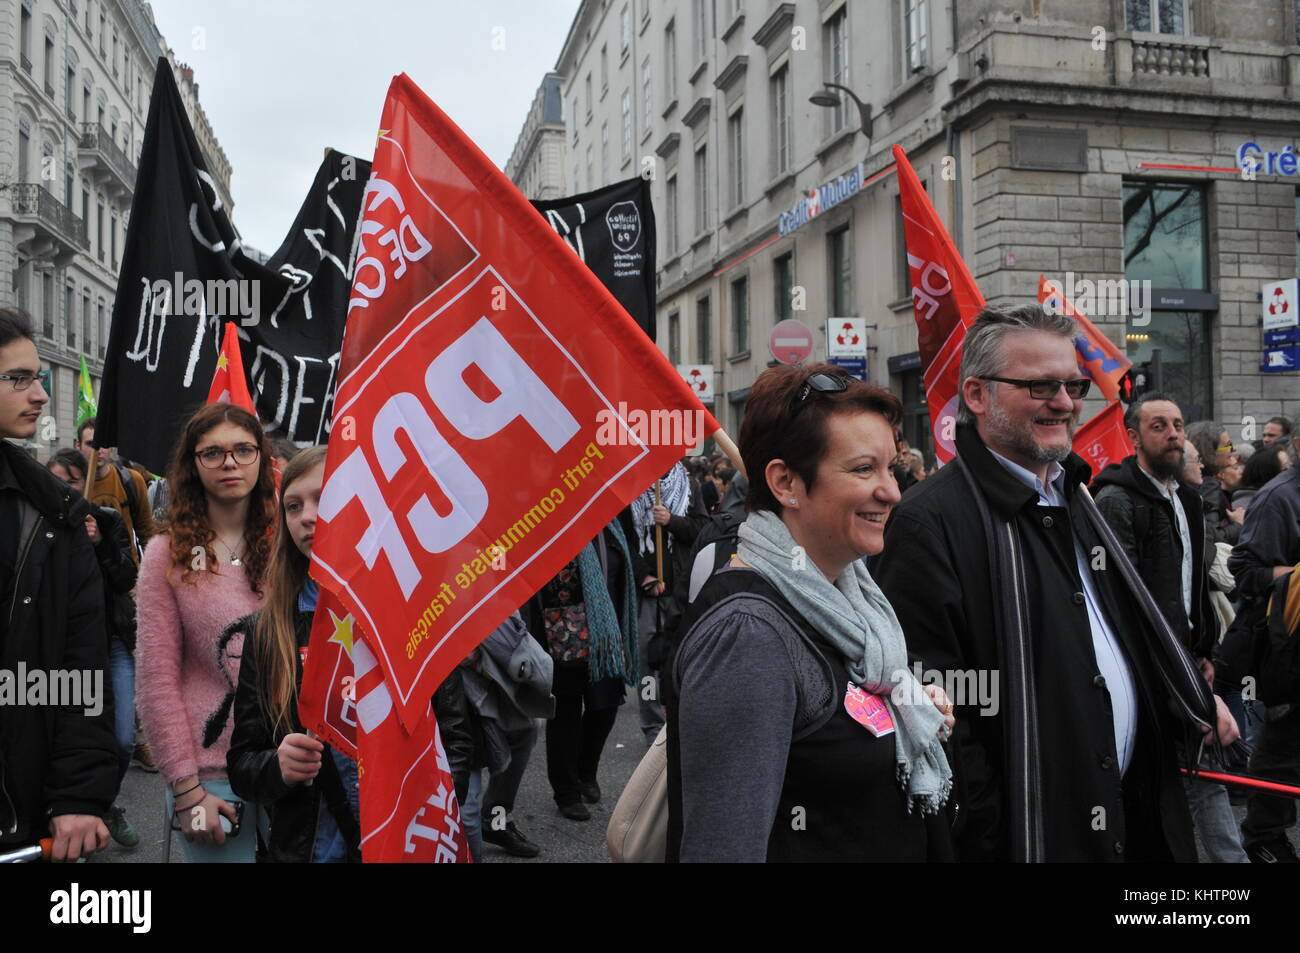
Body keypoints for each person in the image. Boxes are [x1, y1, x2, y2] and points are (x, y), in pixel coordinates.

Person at [874, 304, 1233, 862]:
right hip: (1035, 835)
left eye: (1073, 384)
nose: (1064, 402)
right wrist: (991, 830)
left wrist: (1185, 690)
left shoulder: (1076, 496)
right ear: (976, 395)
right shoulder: (931, 521)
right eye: (1040, 386)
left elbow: (1122, 636)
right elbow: (936, 707)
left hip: (1129, 817)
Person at [668, 364, 954, 863]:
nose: (892, 491)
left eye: (891, 467)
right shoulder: (748, 635)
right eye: (864, 469)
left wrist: (907, 706)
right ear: (786, 483)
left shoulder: (851, 596)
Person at [1092, 394, 1248, 863]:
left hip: (1188, 663)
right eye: (1159, 426)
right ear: (1135, 437)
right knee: (1161, 783)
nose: (1174, 434)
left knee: (1203, 776)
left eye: (1178, 424)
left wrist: (1201, 650)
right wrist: (1173, 673)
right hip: (1146, 672)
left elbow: (1193, 585)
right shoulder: (1116, 500)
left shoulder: (1187, 499)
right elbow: (1125, 601)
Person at [136, 402, 277, 862]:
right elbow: (156, 681)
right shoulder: (167, 555)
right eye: (212, 453)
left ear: (261, 457)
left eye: (243, 449)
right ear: (192, 466)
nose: (230, 462)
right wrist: (186, 789)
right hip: (210, 773)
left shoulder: (290, 545)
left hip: (291, 763)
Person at [0, 308, 117, 861]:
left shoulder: (54, 516)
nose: (41, 394)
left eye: (39, 377)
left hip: (19, 813)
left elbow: (80, 665)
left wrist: (78, 794)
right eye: (19, 379)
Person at [226, 447, 360, 862]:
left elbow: (452, 739)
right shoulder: (268, 632)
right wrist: (277, 768)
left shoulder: (405, 615)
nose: (307, 516)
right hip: (307, 848)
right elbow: (243, 764)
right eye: (294, 505)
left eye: (324, 498)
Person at [46, 449, 141, 849]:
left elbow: (125, 577)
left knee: (121, 739)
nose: (63, 488)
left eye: (71, 480)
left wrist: (101, 543)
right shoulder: (41, 524)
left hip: (112, 642)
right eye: (56, 479)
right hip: (65, 649)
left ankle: (102, 803)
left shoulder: (107, 519)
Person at [524, 520, 637, 821]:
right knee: (566, 713)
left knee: (607, 707)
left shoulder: (613, 525)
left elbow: (627, 570)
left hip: (607, 639)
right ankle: (566, 791)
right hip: (564, 632)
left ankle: (586, 772)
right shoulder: (556, 523)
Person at [1228, 426, 1300, 863]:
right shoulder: (1278, 499)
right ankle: (1265, 842)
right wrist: (1295, 576)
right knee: (1280, 752)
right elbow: (1246, 572)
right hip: (1286, 650)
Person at [628, 462, 707, 746]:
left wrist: (671, 520)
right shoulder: (630, 487)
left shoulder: (688, 484)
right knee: (649, 662)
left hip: (682, 589)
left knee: (682, 658)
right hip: (649, 594)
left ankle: (679, 720)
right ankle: (652, 725)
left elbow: (701, 528)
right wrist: (644, 577)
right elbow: (625, 542)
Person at [75, 416, 154, 563]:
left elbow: (146, 531)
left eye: (103, 444)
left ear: (111, 447)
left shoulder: (131, 480)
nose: (97, 449)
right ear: (78, 446)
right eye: (90, 443)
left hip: (126, 573)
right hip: (87, 573)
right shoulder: (72, 486)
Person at [1187, 421, 1243, 545]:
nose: (1233, 449)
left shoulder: (1196, 482)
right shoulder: (1209, 484)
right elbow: (1213, 538)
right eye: (1228, 445)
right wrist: (1239, 524)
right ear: (1210, 452)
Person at [1233, 443, 1292, 512]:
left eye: (1291, 466)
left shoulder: (1279, 500)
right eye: (1286, 469)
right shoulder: (1251, 508)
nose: (1292, 472)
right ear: (1268, 474)